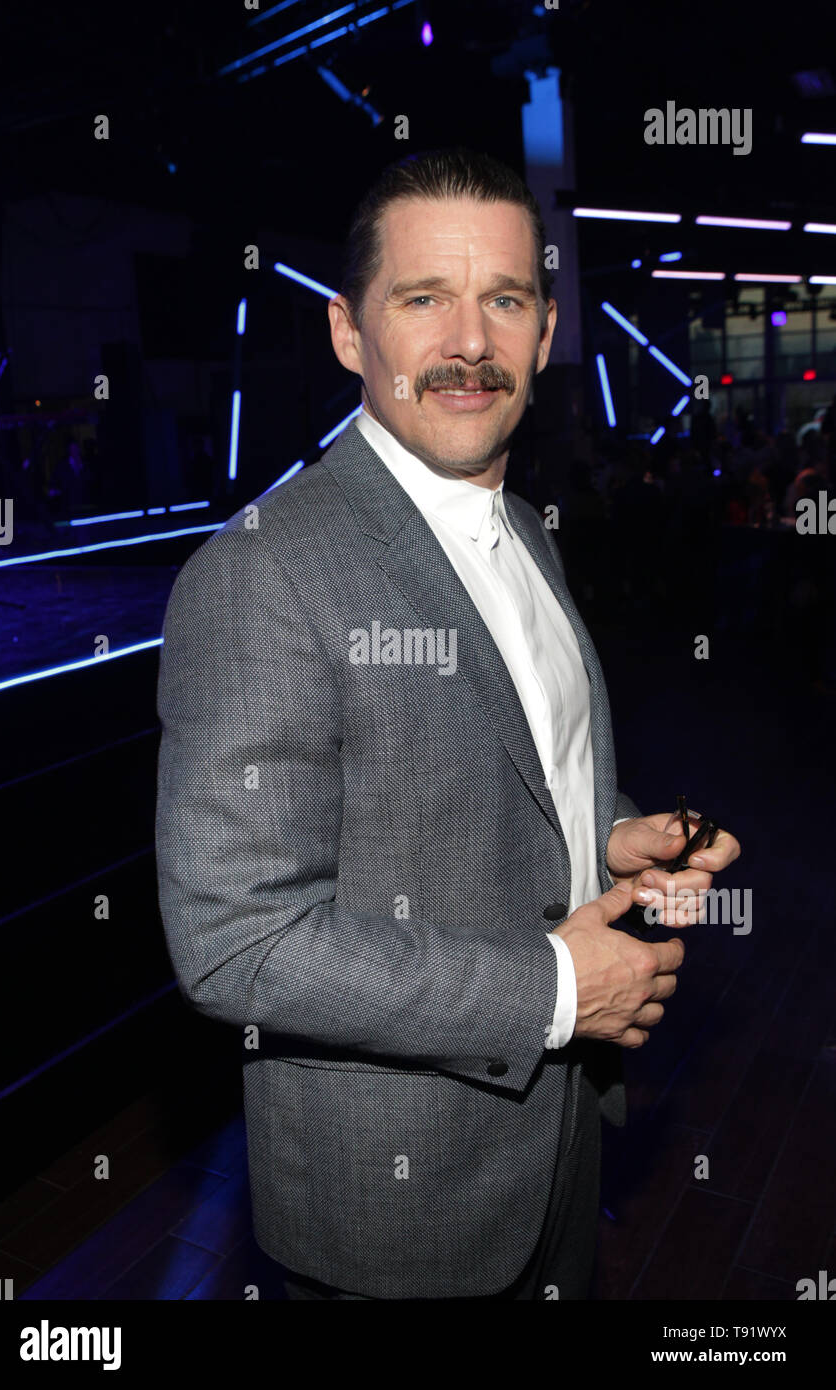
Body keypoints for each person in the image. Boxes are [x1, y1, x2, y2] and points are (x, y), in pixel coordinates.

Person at [155, 147, 740, 1301]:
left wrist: (607, 833)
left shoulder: (524, 527)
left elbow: (501, 767)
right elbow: (236, 940)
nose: (468, 343)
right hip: (399, 1220)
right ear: (347, 332)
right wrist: (558, 992)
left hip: (560, 1149)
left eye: (504, 301)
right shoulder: (260, 576)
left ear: (544, 328)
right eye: (423, 299)